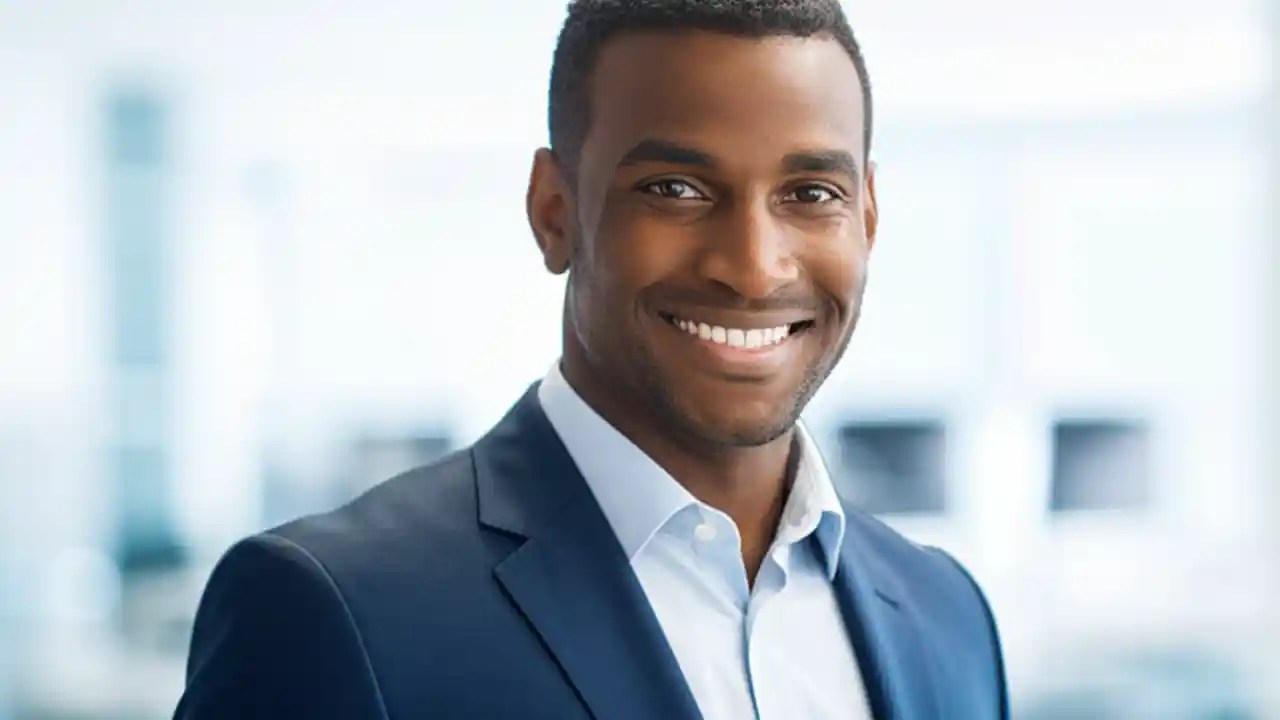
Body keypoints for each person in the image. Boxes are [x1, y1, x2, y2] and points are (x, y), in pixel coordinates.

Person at [174, 1, 1008, 718]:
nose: (754, 266)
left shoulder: (947, 615)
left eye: (810, 195)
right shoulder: (333, 609)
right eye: (675, 189)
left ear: (866, 215)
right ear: (553, 212)